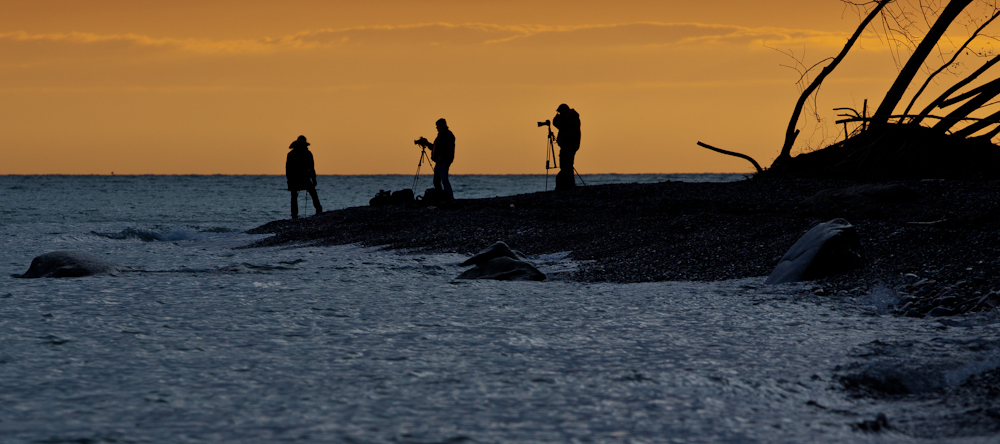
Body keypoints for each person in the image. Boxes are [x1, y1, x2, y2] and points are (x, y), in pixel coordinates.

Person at [285, 135, 322, 219]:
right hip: (303, 179)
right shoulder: (307, 153)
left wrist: (289, 179)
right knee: (312, 193)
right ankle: (318, 210)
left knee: (294, 197)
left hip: (295, 179)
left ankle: (294, 215)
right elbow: (312, 168)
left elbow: (288, 169)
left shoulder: (291, 154)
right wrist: (314, 179)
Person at [552, 103, 581, 191]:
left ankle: (567, 185)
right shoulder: (571, 117)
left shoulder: (570, 117)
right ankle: (568, 185)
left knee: (566, 165)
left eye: (560, 112)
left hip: (569, 145)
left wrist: (556, 119)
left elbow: (561, 125)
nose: (560, 114)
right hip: (568, 145)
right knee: (566, 165)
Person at [430, 118, 455, 200]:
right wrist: (427, 144)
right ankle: (440, 197)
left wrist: (442, 157)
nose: (437, 128)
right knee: (436, 181)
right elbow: (435, 148)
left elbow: (448, 149)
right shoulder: (440, 136)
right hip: (439, 162)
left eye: (438, 126)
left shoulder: (448, 135)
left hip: (444, 162)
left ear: (443, 126)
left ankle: (449, 197)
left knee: (444, 180)